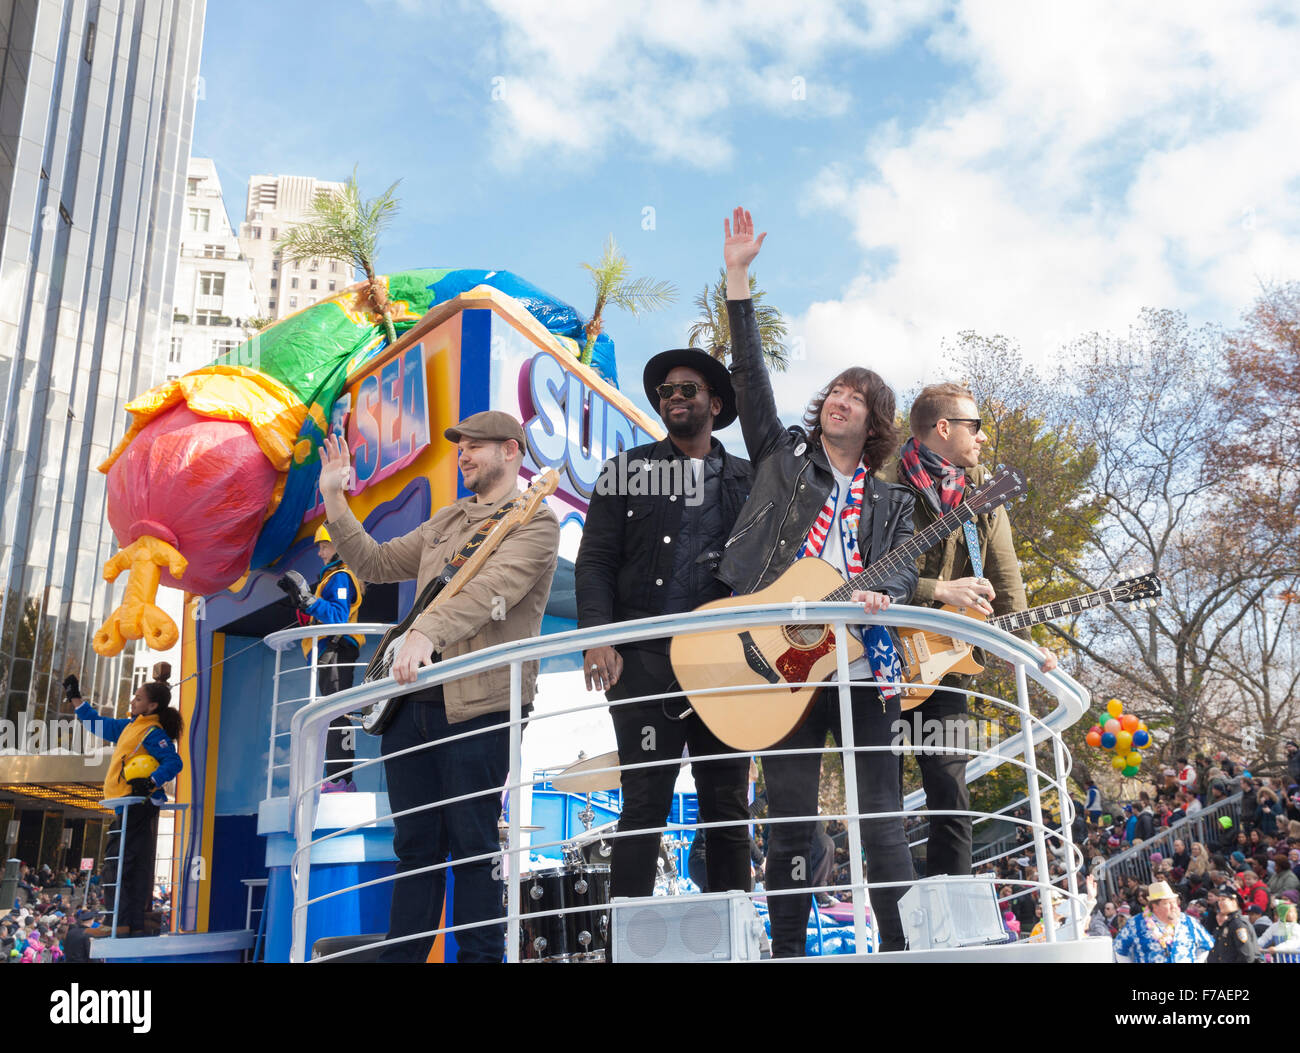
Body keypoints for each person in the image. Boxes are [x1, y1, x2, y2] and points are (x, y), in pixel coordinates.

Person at [717, 206, 919, 953]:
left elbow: (904, 578)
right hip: (785, 662)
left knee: (883, 818)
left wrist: (881, 595)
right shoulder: (780, 456)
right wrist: (738, 277)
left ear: (874, 422)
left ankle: (898, 947)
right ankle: (791, 952)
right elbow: (750, 378)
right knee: (792, 821)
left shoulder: (894, 500)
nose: (838, 398)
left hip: (864, 666)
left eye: (855, 396)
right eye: (835, 389)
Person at [317, 411, 559, 963]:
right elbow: (375, 563)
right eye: (460, 446)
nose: (464, 454)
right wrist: (336, 499)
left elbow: (494, 589)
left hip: (481, 704)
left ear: (512, 451)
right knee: (416, 851)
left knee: (474, 847)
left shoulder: (537, 522)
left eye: (476, 445)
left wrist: (426, 630)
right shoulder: (446, 520)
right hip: (410, 707)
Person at [575, 347, 753, 902]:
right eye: (666, 391)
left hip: (726, 661)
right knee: (645, 800)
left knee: (726, 804)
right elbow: (596, 559)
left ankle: (736, 934)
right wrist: (598, 638)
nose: (674, 397)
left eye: (688, 389)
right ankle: (628, 942)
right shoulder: (627, 472)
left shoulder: (751, 481)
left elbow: (777, 563)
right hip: (644, 658)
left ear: (715, 403)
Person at [879, 383, 1057, 877]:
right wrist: (938, 588)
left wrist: (1026, 646)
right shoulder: (880, 484)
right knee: (883, 796)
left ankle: (951, 917)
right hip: (878, 656)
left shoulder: (986, 495)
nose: (981, 438)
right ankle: (896, 925)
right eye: (973, 426)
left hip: (947, 664)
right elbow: (864, 573)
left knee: (951, 793)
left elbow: (1007, 580)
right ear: (943, 428)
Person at [69, 664, 183, 938]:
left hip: (137, 805)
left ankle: (118, 921)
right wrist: (75, 698)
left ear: (153, 705)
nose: (133, 701)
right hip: (126, 805)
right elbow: (100, 724)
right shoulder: (133, 726)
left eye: (139, 698)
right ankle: (126, 922)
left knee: (117, 863)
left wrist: (153, 781)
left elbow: (174, 760)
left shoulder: (152, 732)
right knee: (124, 863)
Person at [278, 524, 367, 792]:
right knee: (333, 715)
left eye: (324, 545)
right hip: (331, 652)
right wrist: (304, 606)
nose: (320, 552)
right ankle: (337, 778)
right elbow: (325, 613)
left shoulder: (341, 576)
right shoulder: (332, 576)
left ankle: (341, 780)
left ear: (339, 544)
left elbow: (339, 616)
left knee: (338, 714)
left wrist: (309, 601)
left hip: (338, 650)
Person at [1113, 880, 1214, 963]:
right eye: (1167, 903)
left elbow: (1206, 945)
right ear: (1155, 906)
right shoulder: (1135, 924)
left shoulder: (1189, 922)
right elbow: (1119, 949)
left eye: (1174, 902)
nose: (1173, 906)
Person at [1207, 895, 1261, 963]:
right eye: (1219, 900)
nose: (1220, 903)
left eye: (1223, 899)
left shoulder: (1238, 924)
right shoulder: (1227, 924)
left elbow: (1246, 955)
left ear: (1233, 901)